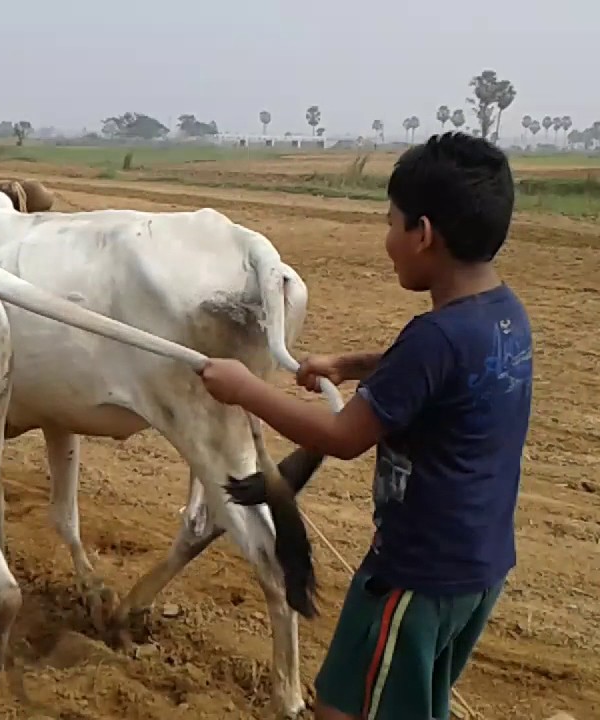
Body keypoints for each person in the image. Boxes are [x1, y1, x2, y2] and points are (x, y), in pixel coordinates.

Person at [198, 131, 533, 720]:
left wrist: (245, 389)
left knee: (341, 710)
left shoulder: (435, 337)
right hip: (477, 567)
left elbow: (342, 436)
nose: (387, 240)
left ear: (422, 234)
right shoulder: (502, 313)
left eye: (391, 223)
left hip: (414, 579)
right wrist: (348, 366)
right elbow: (439, 370)